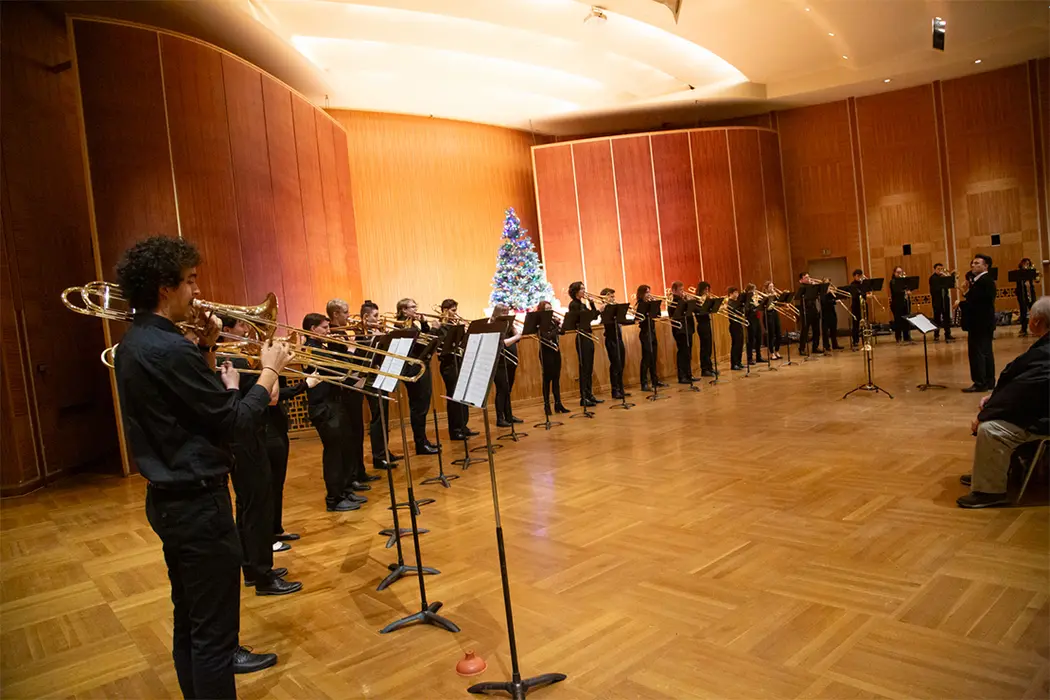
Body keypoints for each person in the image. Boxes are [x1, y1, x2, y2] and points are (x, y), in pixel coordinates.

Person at [113, 236, 294, 697]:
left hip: (171, 501)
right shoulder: (168, 349)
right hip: (199, 506)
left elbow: (194, 408)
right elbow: (232, 420)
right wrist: (270, 370)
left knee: (190, 623)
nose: (198, 292)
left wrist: (208, 349)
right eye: (191, 281)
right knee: (214, 639)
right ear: (163, 287)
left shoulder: (138, 341)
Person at [220, 316, 301, 596]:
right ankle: (263, 575)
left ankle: (254, 569)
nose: (247, 331)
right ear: (226, 331)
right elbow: (272, 397)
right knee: (257, 509)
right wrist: (273, 368)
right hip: (247, 441)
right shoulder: (233, 362)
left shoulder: (236, 360)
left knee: (249, 508)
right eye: (242, 326)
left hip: (246, 440)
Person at [957, 296, 1049, 508]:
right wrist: (994, 400)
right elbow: (1024, 386)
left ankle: (989, 491)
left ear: (1036, 321)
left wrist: (986, 414)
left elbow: (1025, 392)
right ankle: (987, 472)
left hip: (1043, 414)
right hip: (1040, 406)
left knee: (992, 429)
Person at [303, 313, 361, 512]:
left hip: (334, 404)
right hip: (324, 407)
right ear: (313, 329)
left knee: (344, 450)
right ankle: (334, 499)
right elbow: (340, 370)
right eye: (325, 328)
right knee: (334, 455)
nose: (329, 331)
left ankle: (344, 491)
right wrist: (351, 350)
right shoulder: (311, 349)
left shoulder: (321, 347)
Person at [326, 299, 371, 494]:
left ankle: (359, 471)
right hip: (344, 391)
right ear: (335, 314)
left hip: (354, 387)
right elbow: (342, 362)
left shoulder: (343, 333)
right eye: (345, 312)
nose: (348, 316)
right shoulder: (332, 335)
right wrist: (352, 350)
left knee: (358, 432)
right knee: (351, 435)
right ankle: (351, 476)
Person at [359, 300, 402, 468]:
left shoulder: (375, 332)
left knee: (384, 416)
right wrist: (374, 340)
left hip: (380, 377)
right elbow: (363, 356)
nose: (379, 319)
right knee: (378, 418)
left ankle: (384, 450)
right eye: (375, 316)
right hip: (370, 380)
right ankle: (378, 456)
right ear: (365, 317)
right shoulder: (360, 335)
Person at [395, 298, 440, 455]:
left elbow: (424, 341)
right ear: (403, 310)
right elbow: (423, 344)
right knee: (419, 408)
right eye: (412, 307)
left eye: (416, 306)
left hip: (420, 367)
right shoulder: (402, 326)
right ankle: (420, 444)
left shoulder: (413, 324)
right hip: (413, 370)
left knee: (423, 406)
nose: (416, 309)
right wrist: (433, 329)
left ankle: (423, 441)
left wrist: (425, 325)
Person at [436, 299, 478, 439]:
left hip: (459, 363)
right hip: (449, 365)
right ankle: (454, 430)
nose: (456, 314)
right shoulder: (441, 326)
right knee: (454, 398)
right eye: (453, 311)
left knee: (463, 396)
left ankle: (463, 425)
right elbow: (442, 346)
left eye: (456, 310)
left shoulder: (455, 325)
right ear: (445, 310)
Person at [960, 254, 997, 393]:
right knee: (986, 352)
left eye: (977, 263)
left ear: (985, 266)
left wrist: (965, 295)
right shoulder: (983, 280)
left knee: (977, 353)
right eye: (973, 263)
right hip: (984, 323)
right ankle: (989, 381)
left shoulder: (984, 281)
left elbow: (979, 303)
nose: (973, 265)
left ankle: (980, 382)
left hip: (979, 323)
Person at [567, 282, 601, 406]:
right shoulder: (574, 305)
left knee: (589, 368)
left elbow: (594, 318)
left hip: (588, 336)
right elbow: (585, 318)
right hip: (581, 337)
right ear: (576, 291)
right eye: (582, 289)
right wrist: (597, 310)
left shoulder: (582, 304)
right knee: (584, 368)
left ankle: (589, 395)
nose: (584, 291)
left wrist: (592, 304)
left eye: (584, 288)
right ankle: (584, 397)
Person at [491, 303, 523, 426]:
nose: (506, 314)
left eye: (507, 311)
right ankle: (500, 418)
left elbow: (517, 338)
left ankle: (509, 416)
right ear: (497, 312)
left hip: (510, 361)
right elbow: (502, 343)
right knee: (502, 389)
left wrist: (513, 327)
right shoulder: (493, 325)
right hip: (499, 363)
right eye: (503, 311)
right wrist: (516, 337)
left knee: (508, 390)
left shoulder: (507, 325)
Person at [536, 300, 569, 415]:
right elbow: (547, 336)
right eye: (547, 309)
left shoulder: (553, 321)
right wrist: (556, 329)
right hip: (546, 353)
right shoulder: (540, 323)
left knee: (556, 379)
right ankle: (546, 406)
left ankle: (558, 404)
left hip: (555, 351)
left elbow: (563, 332)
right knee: (547, 380)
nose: (550, 311)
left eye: (550, 308)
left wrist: (560, 325)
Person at [600, 287, 627, 399]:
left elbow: (622, 320)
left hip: (619, 338)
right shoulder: (604, 309)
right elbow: (604, 320)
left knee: (621, 364)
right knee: (615, 365)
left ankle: (621, 389)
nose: (613, 298)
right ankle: (614, 390)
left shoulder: (615, 309)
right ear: (605, 298)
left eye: (613, 296)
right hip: (611, 340)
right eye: (611, 296)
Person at [635, 284, 664, 390]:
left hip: (652, 332)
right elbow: (639, 319)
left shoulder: (650, 304)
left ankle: (655, 380)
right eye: (647, 292)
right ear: (642, 294)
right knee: (646, 359)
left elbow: (658, 315)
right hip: (645, 334)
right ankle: (644, 383)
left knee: (653, 358)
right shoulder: (641, 305)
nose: (649, 294)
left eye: (649, 292)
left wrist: (656, 305)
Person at [668, 281, 696, 383]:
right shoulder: (672, 304)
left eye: (682, 290)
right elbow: (674, 315)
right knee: (682, 353)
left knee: (688, 353)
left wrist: (690, 302)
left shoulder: (684, 301)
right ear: (674, 291)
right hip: (679, 331)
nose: (682, 292)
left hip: (688, 329)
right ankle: (682, 376)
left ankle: (689, 374)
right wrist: (685, 302)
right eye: (680, 290)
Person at [694, 281, 715, 376]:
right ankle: (704, 369)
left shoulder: (706, 299)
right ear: (701, 289)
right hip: (701, 325)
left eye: (708, 289)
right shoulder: (697, 300)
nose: (707, 291)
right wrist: (705, 303)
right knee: (704, 348)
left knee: (709, 347)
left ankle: (709, 367)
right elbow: (699, 311)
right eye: (705, 289)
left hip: (707, 323)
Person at [930, 263, 955, 343]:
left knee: (947, 317)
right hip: (937, 301)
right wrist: (943, 279)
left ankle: (948, 334)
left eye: (941, 268)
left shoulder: (944, 277)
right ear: (935, 269)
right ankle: (936, 335)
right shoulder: (933, 278)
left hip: (945, 299)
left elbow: (951, 285)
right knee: (937, 319)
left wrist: (950, 277)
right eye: (938, 269)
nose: (940, 270)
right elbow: (935, 289)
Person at [797, 272, 820, 356]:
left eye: (808, 277)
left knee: (816, 329)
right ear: (801, 280)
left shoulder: (813, 287)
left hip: (814, 310)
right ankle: (802, 348)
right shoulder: (802, 288)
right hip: (805, 311)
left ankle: (815, 347)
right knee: (805, 330)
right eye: (806, 277)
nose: (809, 278)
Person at [889, 266, 913, 344]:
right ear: (894, 273)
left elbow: (910, 287)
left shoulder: (905, 280)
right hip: (897, 303)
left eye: (901, 272)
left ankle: (907, 337)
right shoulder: (893, 281)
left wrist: (909, 290)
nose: (900, 274)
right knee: (898, 321)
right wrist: (904, 291)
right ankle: (898, 337)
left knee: (906, 320)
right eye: (898, 272)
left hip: (905, 302)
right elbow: (896, 291)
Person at [743, 283, 765, 365]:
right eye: (753, 290)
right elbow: (746, 309)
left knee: (759, 337)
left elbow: (762, 303)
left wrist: (758, 302)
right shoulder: (747, 298)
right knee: (751, 339)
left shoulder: (755, 298)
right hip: (750, 319)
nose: (754, 292)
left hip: (756, 319)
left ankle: (758, 356)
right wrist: (752, 303)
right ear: (749, 291)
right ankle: (750, 358)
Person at [1016, 258, 1038, 338]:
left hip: (1031, 294)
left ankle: (1036, 329)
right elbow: (1018, 286)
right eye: (1025, 263)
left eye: (1028, 264)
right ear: (1021, 264)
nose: (1026, 265)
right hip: (1022, 295)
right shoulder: (1018, 273)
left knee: (1034, 312)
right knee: (1023, 312)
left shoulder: (1031, 272)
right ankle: (1023, 329)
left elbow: (1036, 280)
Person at [762, 281, 782, 360]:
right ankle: (771, 353)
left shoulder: (775, 294)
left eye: (772, 286)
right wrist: (769, 296)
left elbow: (780, 302)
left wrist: (777, 296)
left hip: (775, 314)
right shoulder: (764, 296)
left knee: (779, 334)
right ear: (767, 288)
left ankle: (777, 350)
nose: (772, 288)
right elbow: (763, 306)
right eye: (770, 287)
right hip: (768, 315)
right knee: (771, 335)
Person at [820, 283, 842, 352]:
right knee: (825, 331)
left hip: (832, 313)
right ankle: (826, 346)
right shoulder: (822, 294)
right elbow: (824, 303)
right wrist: (834, 301)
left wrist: (834, 294)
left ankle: (835, 345)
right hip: (825, 314)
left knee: (834, 329)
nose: (829, 287)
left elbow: (836, 297)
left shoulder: (831, 294)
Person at [726, 287, 745, 370]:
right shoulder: (730, 302)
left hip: (739, 324)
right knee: (735, 345)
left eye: (737, 292)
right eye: (735, 292)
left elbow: (740, 312)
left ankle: (739, 362)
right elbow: (734, 311)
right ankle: (734, 364)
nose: (737, 294)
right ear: (731, 293)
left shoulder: (737, 302)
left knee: (740, 343)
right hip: (734, 325)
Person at [848, 270, 865, 349]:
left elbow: (864, 294)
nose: (859, 277)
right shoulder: (852, 285)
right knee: (855, 324)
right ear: (854, 276)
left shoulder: (864, 284)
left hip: (863, 306)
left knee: (865, 323)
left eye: (860, 276)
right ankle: (855, 340)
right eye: (858, 276)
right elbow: (854, 296)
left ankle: (865, 340)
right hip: (855, 306)